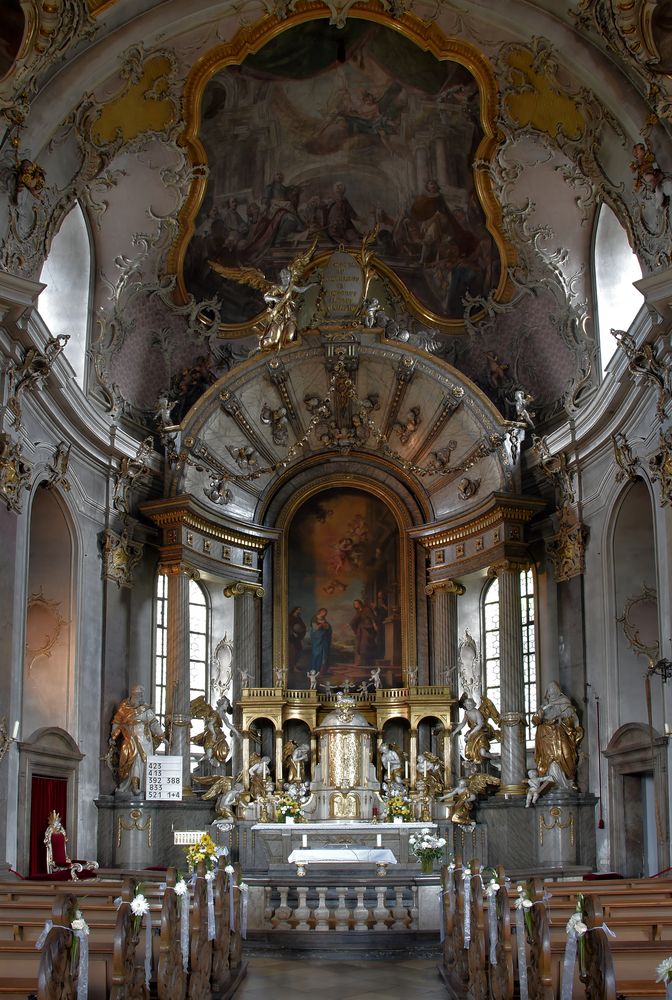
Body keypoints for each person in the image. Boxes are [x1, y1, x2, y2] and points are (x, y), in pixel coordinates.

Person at [109, 685, 164, 795]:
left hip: (145, 741)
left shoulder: (146, 709)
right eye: (139, 694)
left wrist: (162, 736)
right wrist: (113, 737)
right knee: (130, 761)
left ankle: (138, 786)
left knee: (142, 762)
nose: (141, 697)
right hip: (129, 739)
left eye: (142, 695)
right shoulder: (124, 708)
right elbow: (117, 722)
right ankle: (129, 785)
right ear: (133, 695)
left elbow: (154, 724)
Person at [532, 682, 584, 789]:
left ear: (558, 693)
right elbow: (535, 721)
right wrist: (540, 716)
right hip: (545, 737)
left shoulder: (564, 703)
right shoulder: (544, 706)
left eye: (554, 693)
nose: (552, 696)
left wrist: (560, 717)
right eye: (550, 694)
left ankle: (568, 780)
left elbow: (571, 716)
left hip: (560, 734)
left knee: (566, 755)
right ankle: (550, 780)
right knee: (548, 759)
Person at [350, 598, 378, 666]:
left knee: (365, 645)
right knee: (360, 646)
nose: (355, 605)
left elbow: (373, 618)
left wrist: (374, 625)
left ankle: (366, 662)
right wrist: (356, 630)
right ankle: (362, 662)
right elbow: (353, 622)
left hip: (368, 628)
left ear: (360, 604)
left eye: (356, 603)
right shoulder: (358, 612)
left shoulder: (366, 609)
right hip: (361, 630)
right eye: (354, 604)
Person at [310, 607, 332, 673]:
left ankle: (320, 670)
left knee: (323, 654)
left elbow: (327, 627)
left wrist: (326, 626)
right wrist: (322, 625)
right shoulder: (314, 618)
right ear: (320, 612)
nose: (325, 614)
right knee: (316, 653)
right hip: (317, 638)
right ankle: (314, 669)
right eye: (324, 612)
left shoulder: (324, 619)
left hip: (323, 638)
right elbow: (315, 628)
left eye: (326, 613)